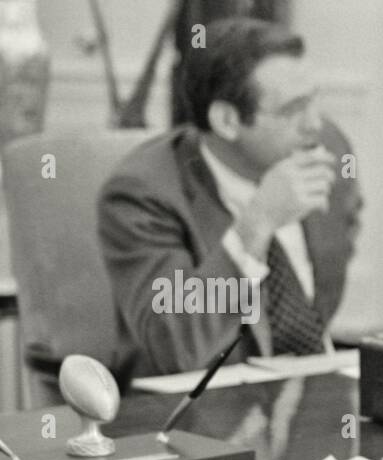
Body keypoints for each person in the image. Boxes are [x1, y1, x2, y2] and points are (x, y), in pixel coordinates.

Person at [98, 17, 361, 377]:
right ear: (227, 121)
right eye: (292, 109)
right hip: (199, 407)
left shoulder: (327, 149)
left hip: (316, 392)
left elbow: (340, 245)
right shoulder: (143, 195)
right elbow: (176, 346)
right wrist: (256, 225)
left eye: (314, 101)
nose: (314, 123)